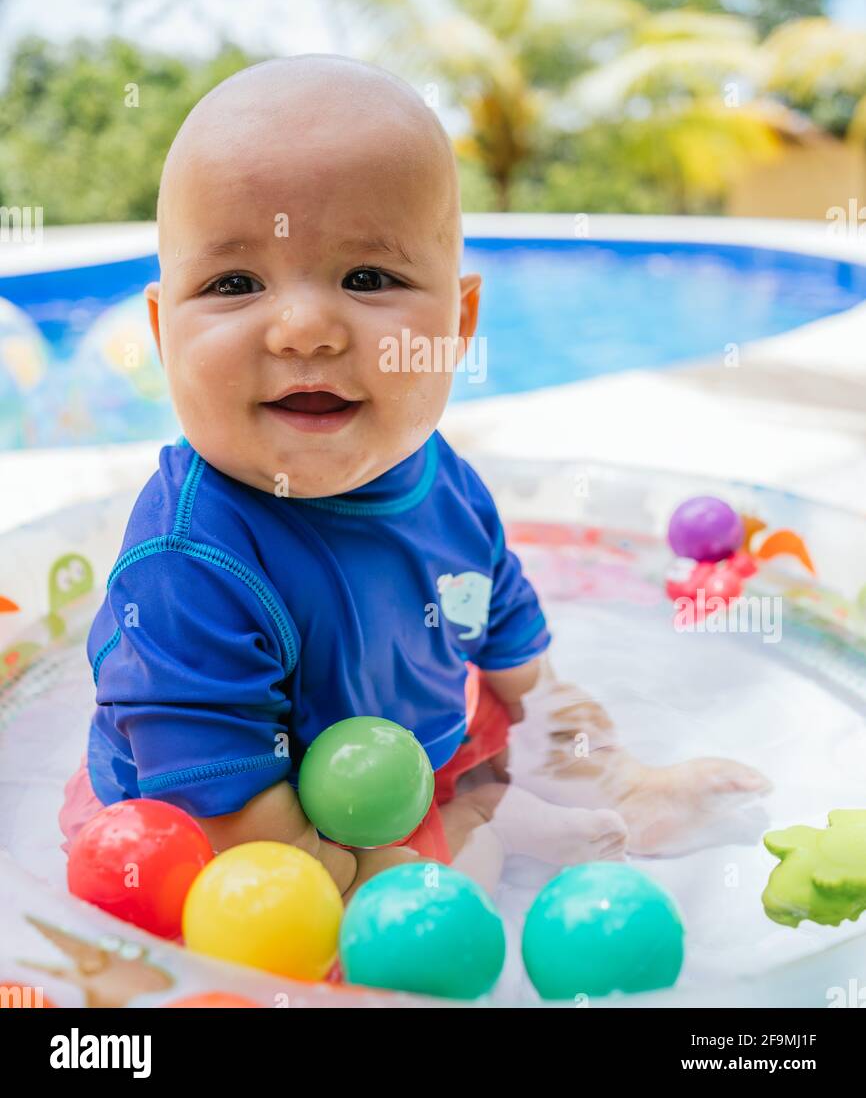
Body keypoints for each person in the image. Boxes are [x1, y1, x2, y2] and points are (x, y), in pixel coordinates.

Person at [59, 55, 771, 900]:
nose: (304, 328)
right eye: (235, 282)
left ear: (457, 324)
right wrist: (373, 884)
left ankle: (599, 796)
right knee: (245, 896)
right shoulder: (188, 565)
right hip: (219, 805)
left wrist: (582, 757)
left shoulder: (448, 486)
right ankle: (477, 831)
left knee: (525, 702)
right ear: (165, 333)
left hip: (404, 747)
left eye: (368, 278)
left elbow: (508, 641)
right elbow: (232, 824)